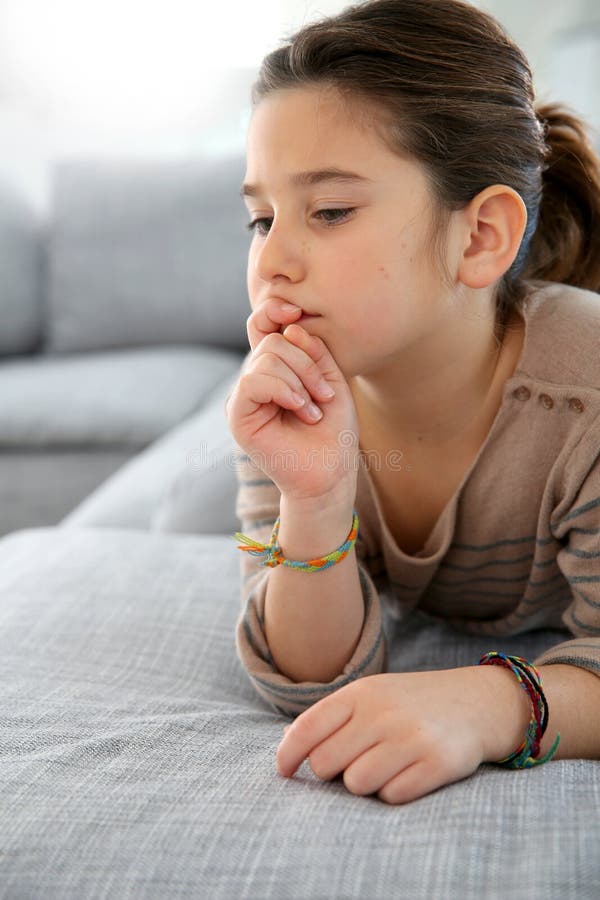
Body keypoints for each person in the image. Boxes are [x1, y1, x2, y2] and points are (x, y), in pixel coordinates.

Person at [225, 0, 600, 805]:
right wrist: (313, 494)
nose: (273, 262)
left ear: (480, 237)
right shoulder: (289, 392)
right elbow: (307, 676)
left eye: (329, 211)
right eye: (261, 219)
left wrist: (500, 702)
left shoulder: (587, 407)